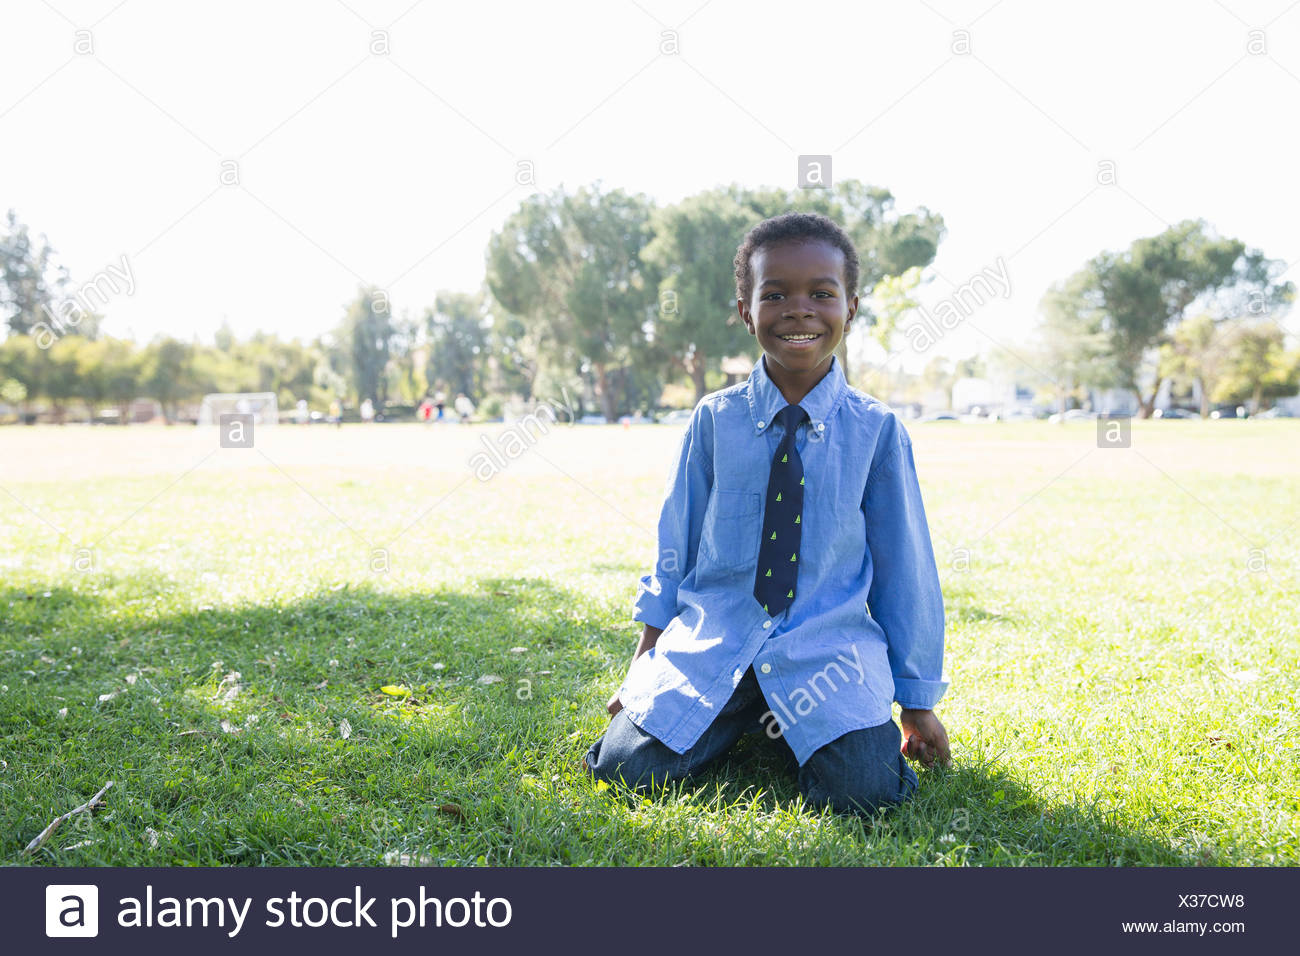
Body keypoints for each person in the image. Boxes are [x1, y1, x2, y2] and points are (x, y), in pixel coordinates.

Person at [583, 212, 950, 816]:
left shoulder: (877, 431)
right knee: (626, 767)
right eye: (774, 294)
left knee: (863, 796)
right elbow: (675, 543)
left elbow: (905, 571)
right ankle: (746, 716)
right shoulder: (713, 421)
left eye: (821, 294)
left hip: (828, 654)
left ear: (850, 309)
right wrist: (643, 664)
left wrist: (916, 702)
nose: (799, 309)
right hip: (715, 640)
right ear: (746, 311)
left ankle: (788, 723)